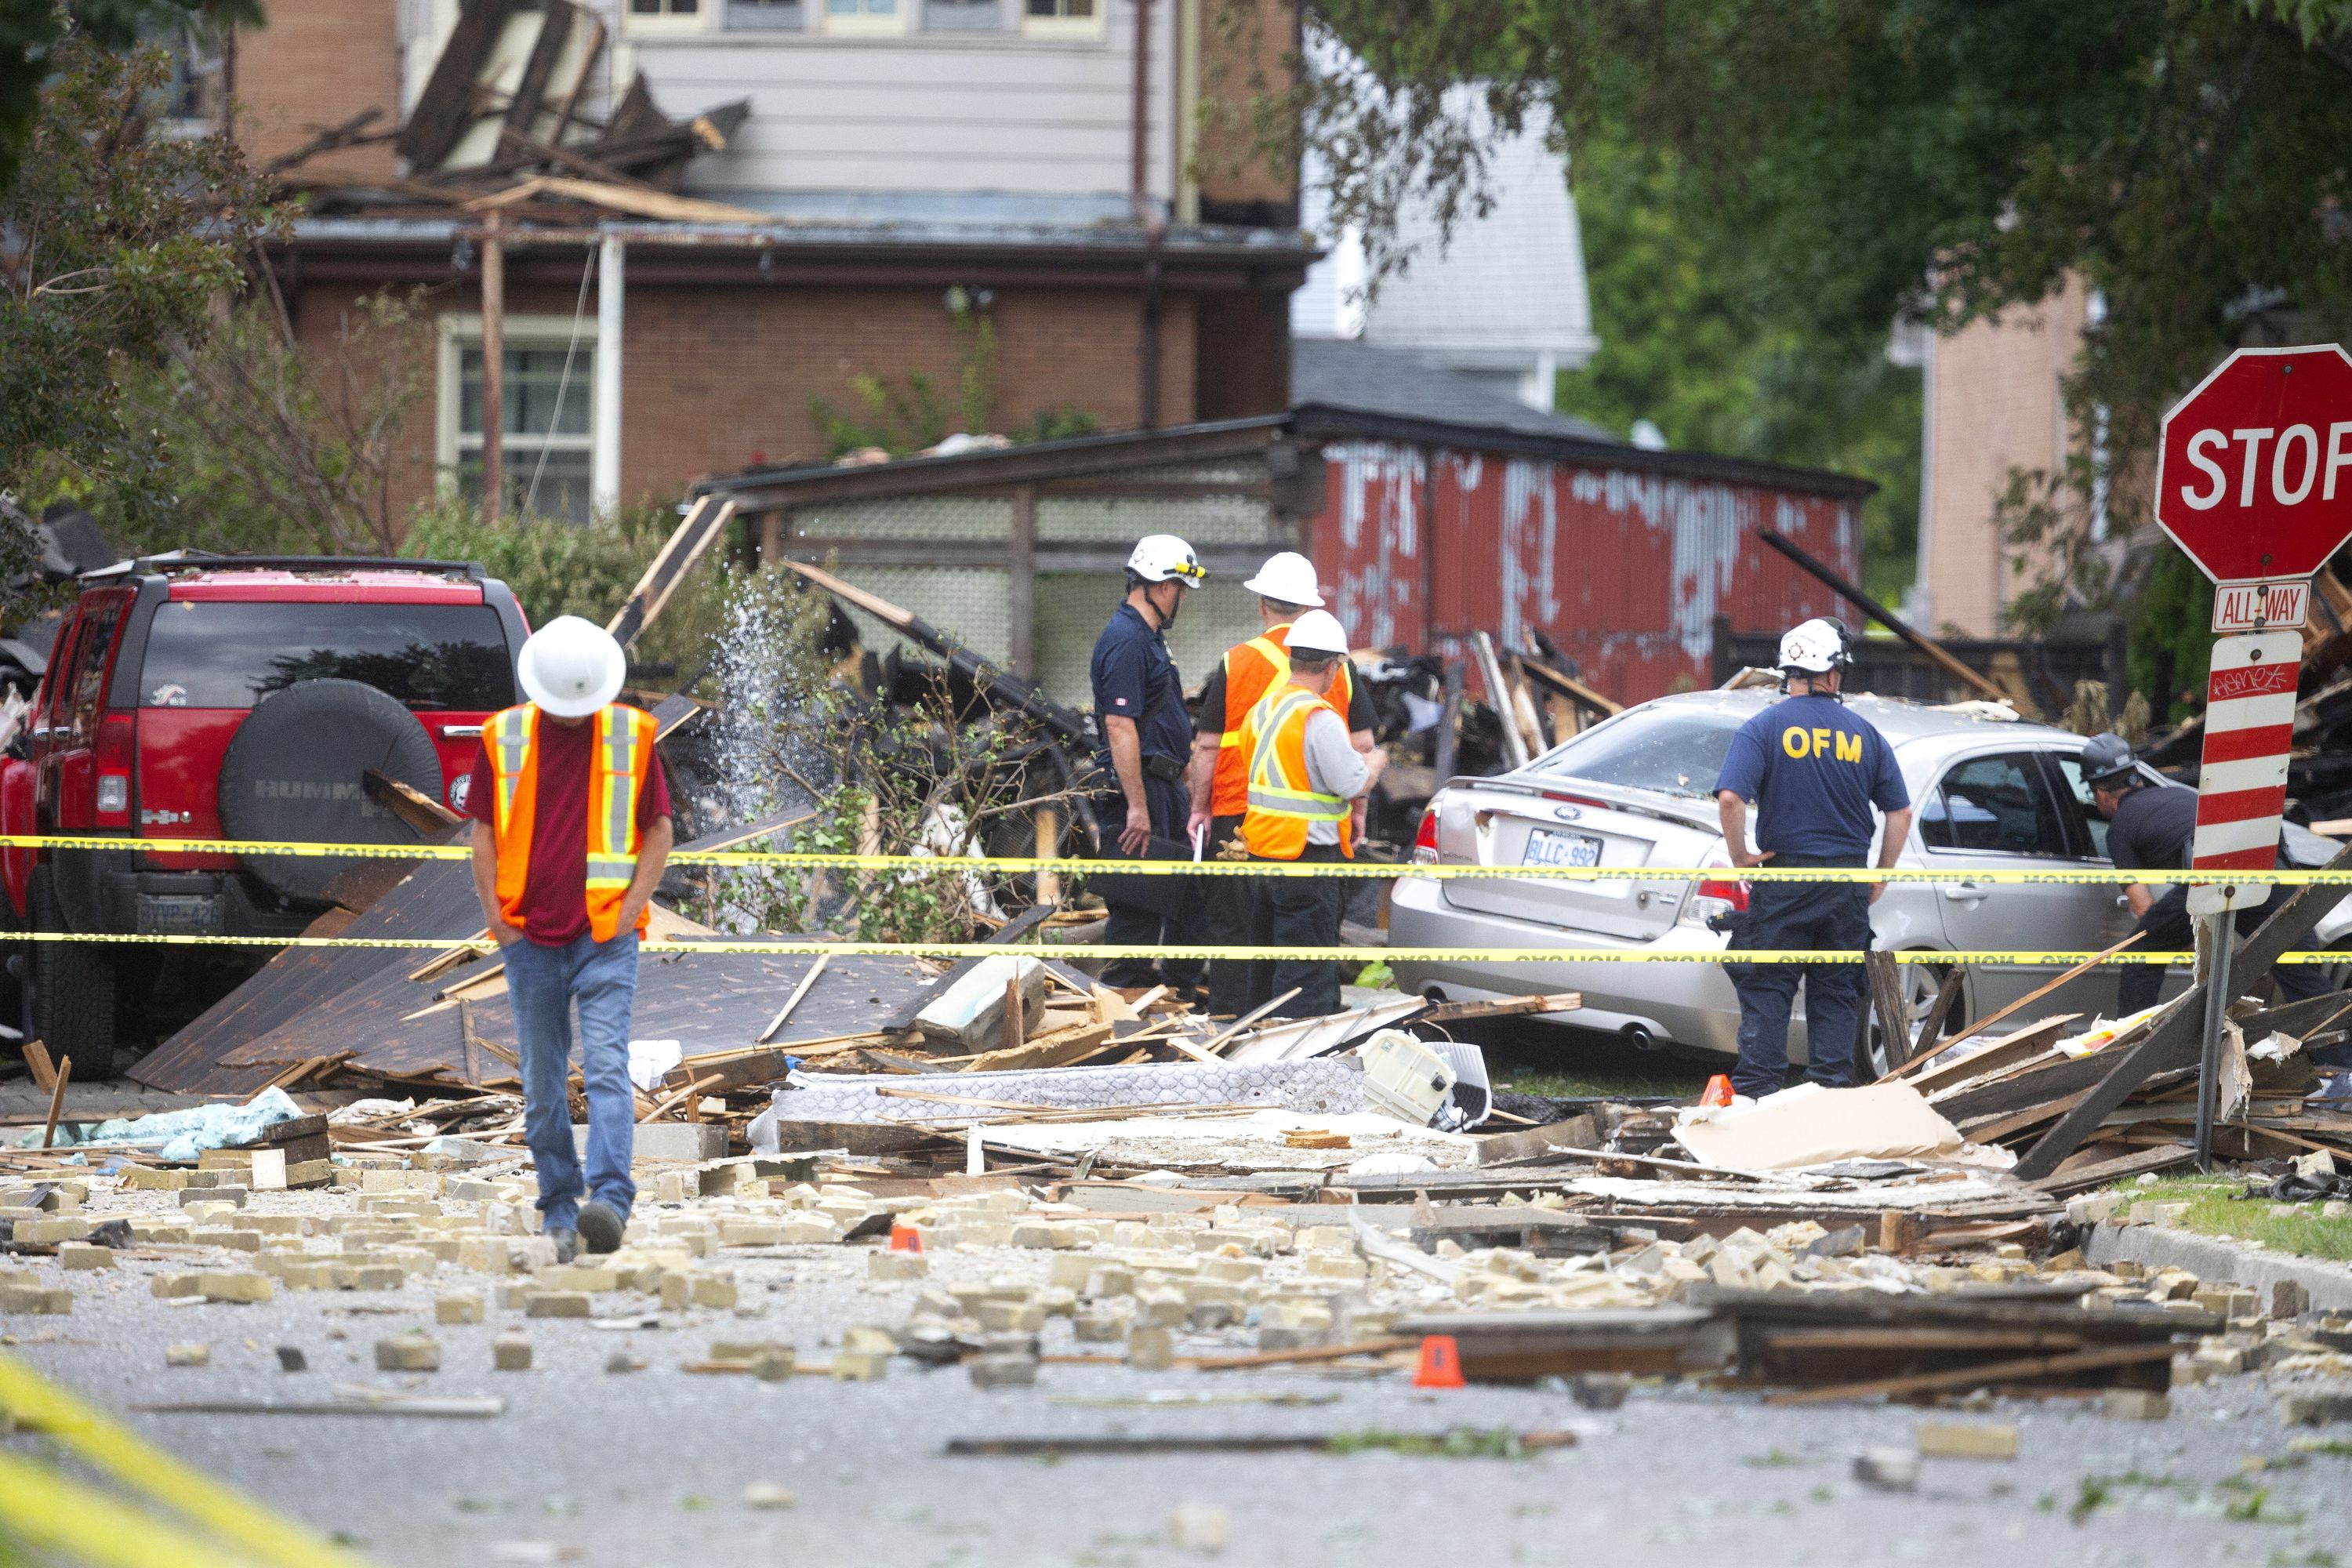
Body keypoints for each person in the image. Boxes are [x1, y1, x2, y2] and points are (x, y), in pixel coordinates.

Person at [465, 616, 673, 1263]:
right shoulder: (503, 738)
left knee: (608, 1067)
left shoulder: (632, 737)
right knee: (543, 1083)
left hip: (606, 934)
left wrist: (634, 905)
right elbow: (482, 833)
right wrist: (497, 920)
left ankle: (609, 1203)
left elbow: (659, 829)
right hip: (529, 938)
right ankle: (558, 1208)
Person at [1713, 617, 1913, 1098]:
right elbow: (1900, 812)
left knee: (1768, 987)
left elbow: (1730, 800)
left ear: (1790, 672)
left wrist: (1741, 857)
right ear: (1830, 674)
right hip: (1845, 885)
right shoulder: (1865, 734)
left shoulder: (1762, 728)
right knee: (1836, 991)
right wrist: (1879, 876)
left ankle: (1757, 1096)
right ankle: (1826, 1097)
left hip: (1783, 880)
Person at [1184, 550, 1378, 1016]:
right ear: (1310, 608)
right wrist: (1358, 813)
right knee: (1306, 943)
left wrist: (1199, 807)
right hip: (1312, 835)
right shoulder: (1338, 669)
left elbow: (1207, 746)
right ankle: (1298, 1034)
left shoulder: (1237, 661)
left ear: (1262, 604)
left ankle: (1233, 1022)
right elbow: (1363, 743)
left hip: (1242, 815)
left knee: (1239, 931)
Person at [2082, 732, 2323, 1014]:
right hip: (2264, 865)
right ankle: (2339, 1055)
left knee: (2141, 954)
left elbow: (2143, 905)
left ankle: (2132, 1045)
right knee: (2300, 973)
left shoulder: (2120, 828)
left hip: (2214, 877)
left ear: (2100, 793)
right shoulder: (2179, 794)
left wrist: (2184, 938)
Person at [1237, 608, 1385, 1018]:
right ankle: (1305, 1059)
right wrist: (1376, 761)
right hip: (1307, 858)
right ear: (1334, 666)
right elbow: (1353, 783)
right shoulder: (1318, 717)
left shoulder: (1262, 710)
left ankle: (1258, 1049)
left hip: (1263, 855)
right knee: (1308, 969)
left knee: (1265, 964)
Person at [1088, 534, 1208, 993]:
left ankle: (1177, 997)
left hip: (1162, 788)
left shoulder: (1148, 638)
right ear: (1161, 585)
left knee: (1181, 898)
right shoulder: (1127, 640)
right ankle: (1124, 1011)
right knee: (1137, 907)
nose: (1180, 598)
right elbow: (1120, 726)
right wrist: (1137, 807)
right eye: (1179, 587)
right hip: (1140, 793)